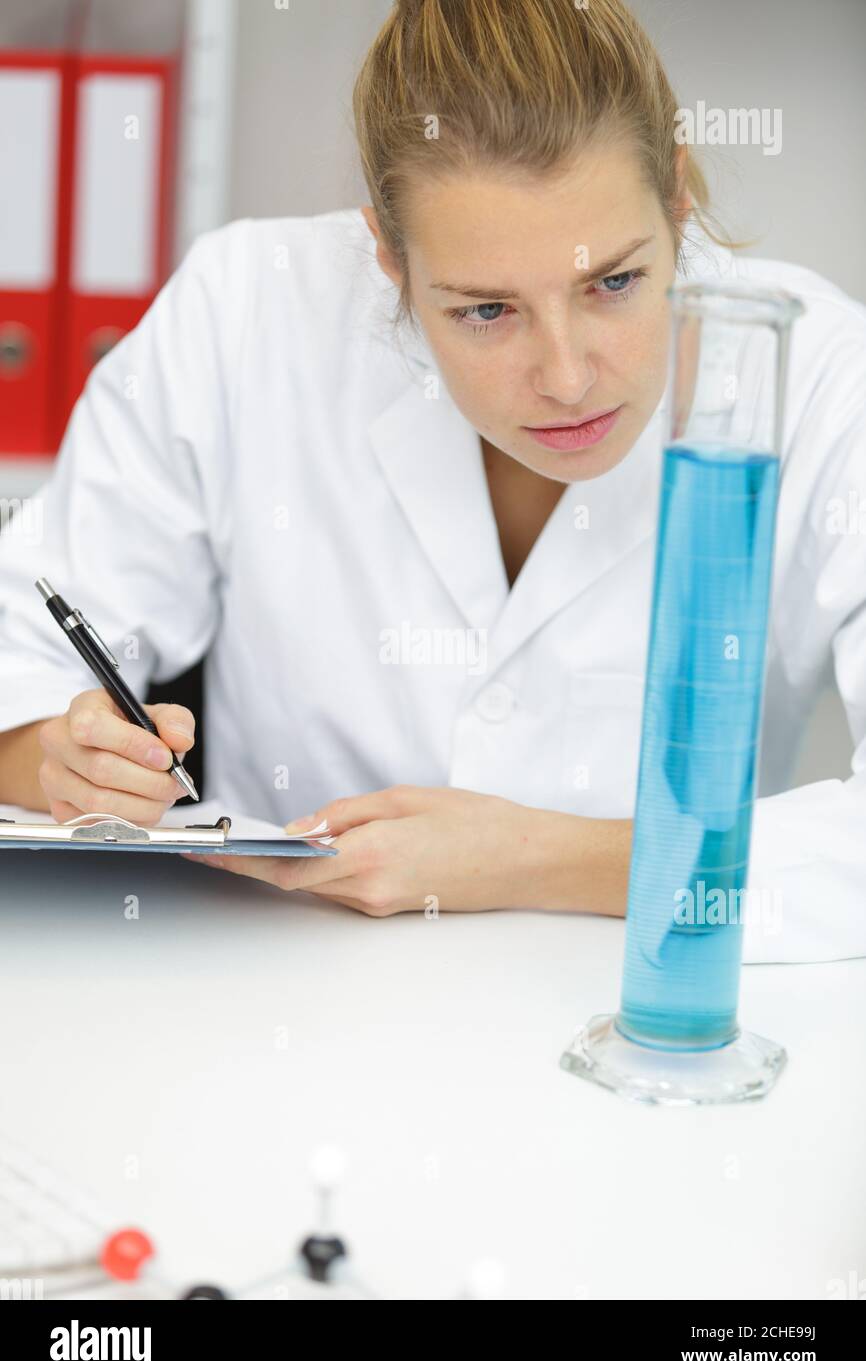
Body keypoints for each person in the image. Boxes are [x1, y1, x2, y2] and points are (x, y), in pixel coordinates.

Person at [0, 0, 864, 963]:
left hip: (645, 1008)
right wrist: (60, 760)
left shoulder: (821, 374)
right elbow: (17, 658)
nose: (567, 376)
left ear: (677, 199)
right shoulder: (245, 308)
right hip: (267, 987)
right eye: (485, 311)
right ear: (389, 257)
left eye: (614, 283)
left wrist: (533, 859)